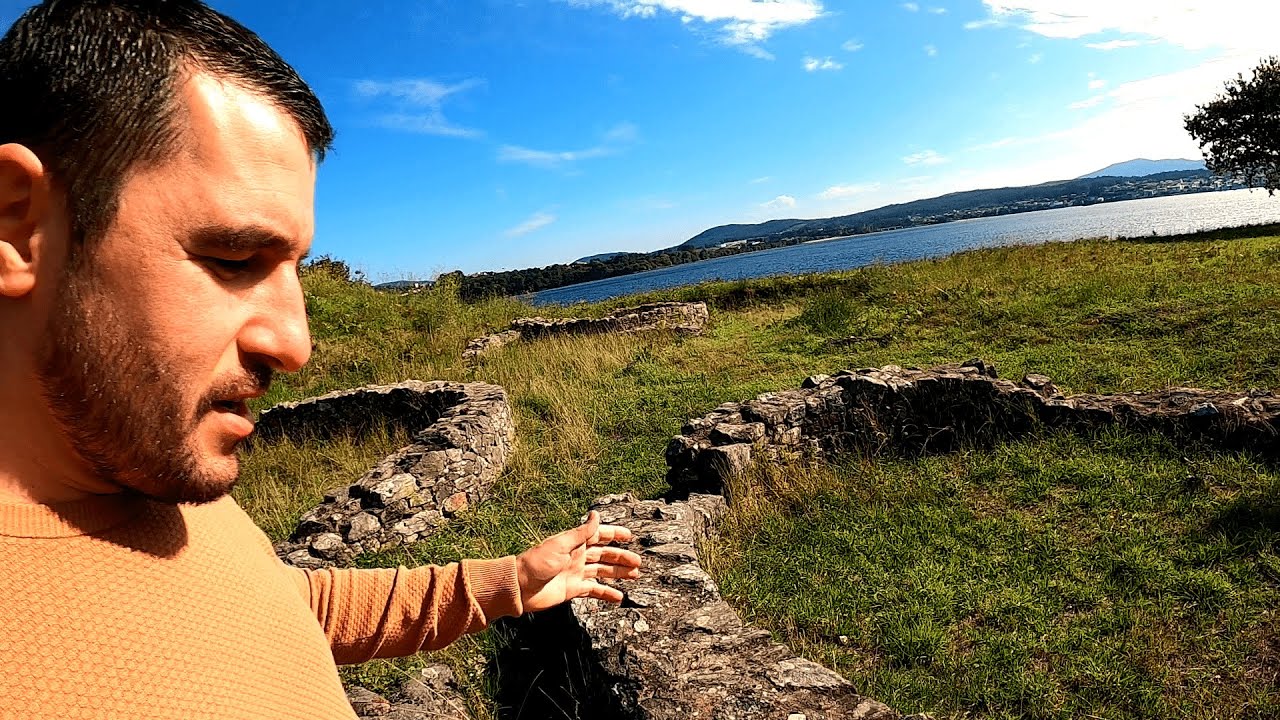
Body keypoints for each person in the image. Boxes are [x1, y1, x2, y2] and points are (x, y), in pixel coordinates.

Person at [0, 1, 642, 717]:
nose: (296, 344)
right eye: (234, 257)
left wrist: (510, 581)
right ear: (19, 223)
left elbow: (274, 603)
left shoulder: (144, 466)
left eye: (295, 266)